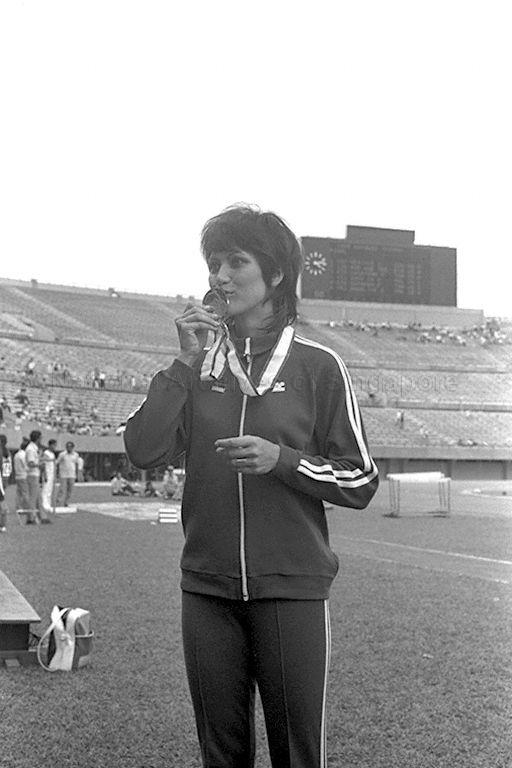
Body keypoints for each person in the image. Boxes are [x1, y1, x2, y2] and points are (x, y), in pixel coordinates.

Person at [124, 204, 379, 768]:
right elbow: (143, 451)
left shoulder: (320, 366)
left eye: (236, 261)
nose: (219, 276)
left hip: (290, 589)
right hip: (207, 589)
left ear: (277, 275)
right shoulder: (200, 367)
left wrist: (283, 460)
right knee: (222, 754)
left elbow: (361, 478)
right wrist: (180, 366)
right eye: (214, 262)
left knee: (297, 753)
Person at [25, 429, 50, 523]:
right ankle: (31, 518)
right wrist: (39, 465)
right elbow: (30, 463)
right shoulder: (31, 449)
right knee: (33, 497)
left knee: (38, 497)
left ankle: (43, 517)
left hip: (35, 474)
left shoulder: (34, 448)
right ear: (38, 438)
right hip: (32, 475)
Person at [56, 441, 80, 507]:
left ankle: (66, 502)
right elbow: (57, 463)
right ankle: (59, 501)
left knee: (70, 489)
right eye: (67, 447)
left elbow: (76, 464)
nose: (68, 448)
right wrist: (57, 473)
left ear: (72, 447)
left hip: (72, 474)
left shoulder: (76, 455)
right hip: (63, 474)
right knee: (62, 489)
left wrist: (77, 474)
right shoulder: (62, 454)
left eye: (70, 447)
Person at [13, 437, 30, 515]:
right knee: (25, 492)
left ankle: (19, 508)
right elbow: (25, 466)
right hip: (23, 475)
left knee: (19, 493)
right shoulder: (23, 455)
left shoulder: (16, 454)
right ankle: (26, 508)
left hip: (17, 475)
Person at [41, 439, 57, 516]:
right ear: (50, 445)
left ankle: (48, 504)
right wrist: (45, 474)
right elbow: (43, 462)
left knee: (50, 490)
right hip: (47, 473)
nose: (54, 447)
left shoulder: (52, 454)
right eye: (53, 445)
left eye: (55, 445)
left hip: (51, 474)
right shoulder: (46, 453)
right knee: (45, 489)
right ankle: (44, 505)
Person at [0, 434, 12, 532]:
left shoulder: (5, 453)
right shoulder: (6, 453)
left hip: (1, 480)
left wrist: (4, 480)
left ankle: (2, 525)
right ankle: (2, 525)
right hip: (2, 480)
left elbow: (6, 469)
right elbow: (7, 470)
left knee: (2, 503)